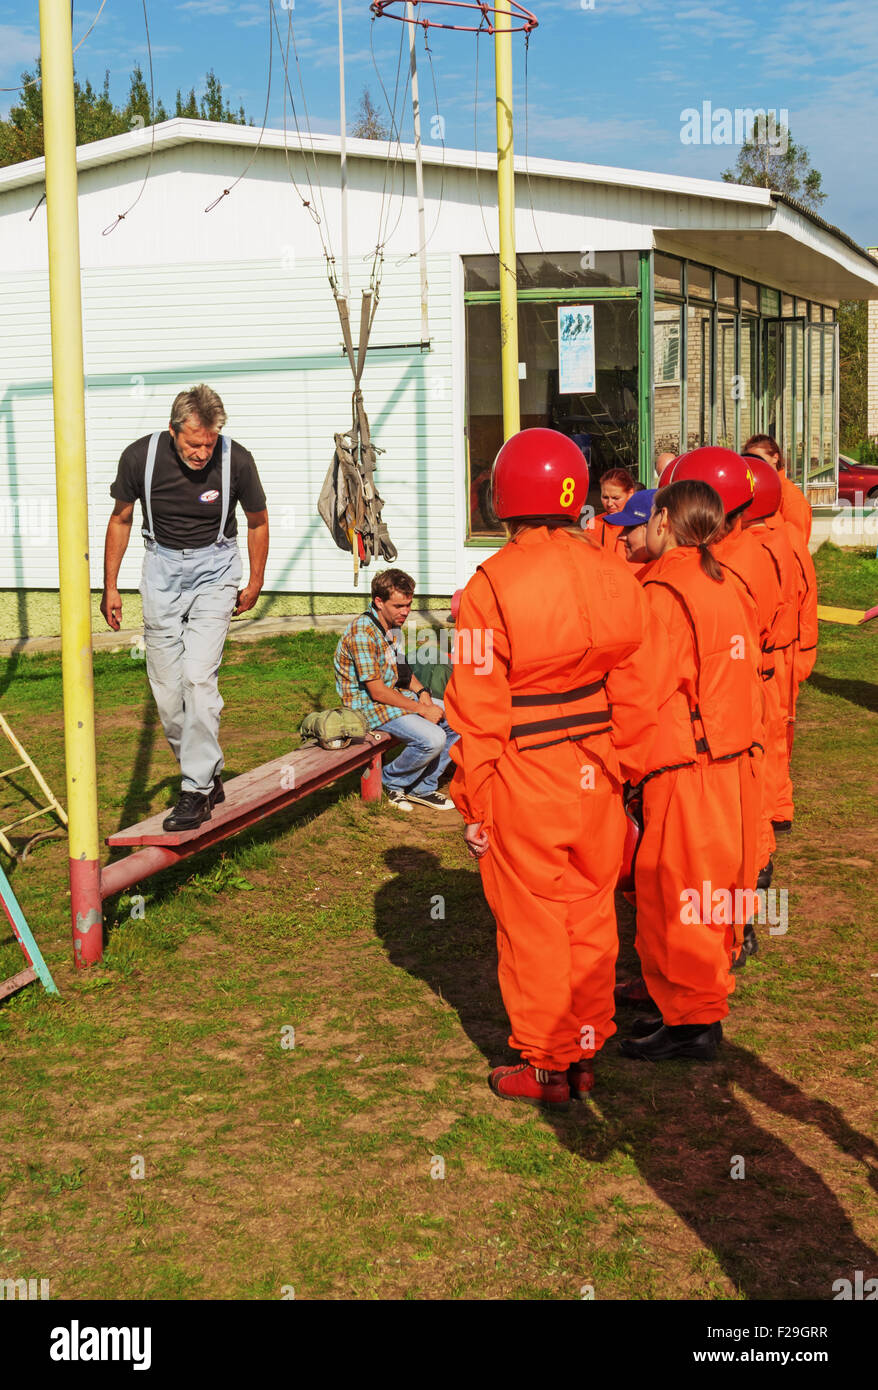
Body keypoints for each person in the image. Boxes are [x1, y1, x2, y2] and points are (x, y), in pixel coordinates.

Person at [444, 428, 659, 1110]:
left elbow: (476, 710)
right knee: (592, 911)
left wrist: (474, 804)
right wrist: (620, 768)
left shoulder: (487, 589)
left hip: (523, 772)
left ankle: (545, 1066)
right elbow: (639, 689)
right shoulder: (616, 574)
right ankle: (585, 1050)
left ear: (502, 497)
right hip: (596, 771)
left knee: (534, 923)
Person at [619, 480, 763, 1062]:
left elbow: (640, 691)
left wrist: (618, 766)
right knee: (713, 892)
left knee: (675, 890)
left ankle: (692, 1021)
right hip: (732, 761)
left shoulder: (664, 594)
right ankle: (682, 1001)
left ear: (662, 521)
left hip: (687, 764)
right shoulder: (727, 582)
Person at [101, 385, 269, 831]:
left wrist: (254, 580)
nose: (202, 453)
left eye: (209, 444)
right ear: (173, 430)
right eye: (194, 443)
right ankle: (208, 774)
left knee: (197, 679)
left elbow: (257, 521)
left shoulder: (237, 460)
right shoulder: (140, 458)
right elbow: (120, 519)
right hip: (160, 568)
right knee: (168, 693)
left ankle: (194, 790)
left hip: (216, 569)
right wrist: (110, 587)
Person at [334, 568, 459, 811]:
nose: (405, 612)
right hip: (367, 707)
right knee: (433, 738)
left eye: (408, 605)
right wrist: (422, 710)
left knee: (459, 719)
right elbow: (377, 692)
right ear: (379, 602)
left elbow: (401, 670)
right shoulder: (363, 632)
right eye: (399, 605)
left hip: (393, 698)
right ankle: (391, 781)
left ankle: (423, 787)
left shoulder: (392, 626)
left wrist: (423, 694)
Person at [744, 434, 812, 544]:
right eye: (749, 459)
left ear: (775, 458)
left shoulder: (791, 496)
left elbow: (797, 544)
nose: (754, 464)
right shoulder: (752, 490)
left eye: (758, 459)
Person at [602, 488, 658, 577]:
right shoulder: (655, 573)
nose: (621, 536)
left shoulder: (662, 581)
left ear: (656, 527)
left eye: (630, 528)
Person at [590, 466, 639, 555]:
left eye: (615, 498)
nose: (609, 503)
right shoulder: (593, 523)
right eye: (605, 497)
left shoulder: (640, 524)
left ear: (630, 494)